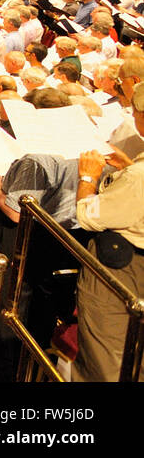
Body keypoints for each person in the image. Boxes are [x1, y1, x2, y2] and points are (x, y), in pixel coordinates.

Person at [72, 83, 144, 381]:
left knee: (106, 357)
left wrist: (88, 178)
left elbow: (88, 216)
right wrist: (127, 167)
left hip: (125, 267)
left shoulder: (139, 176)